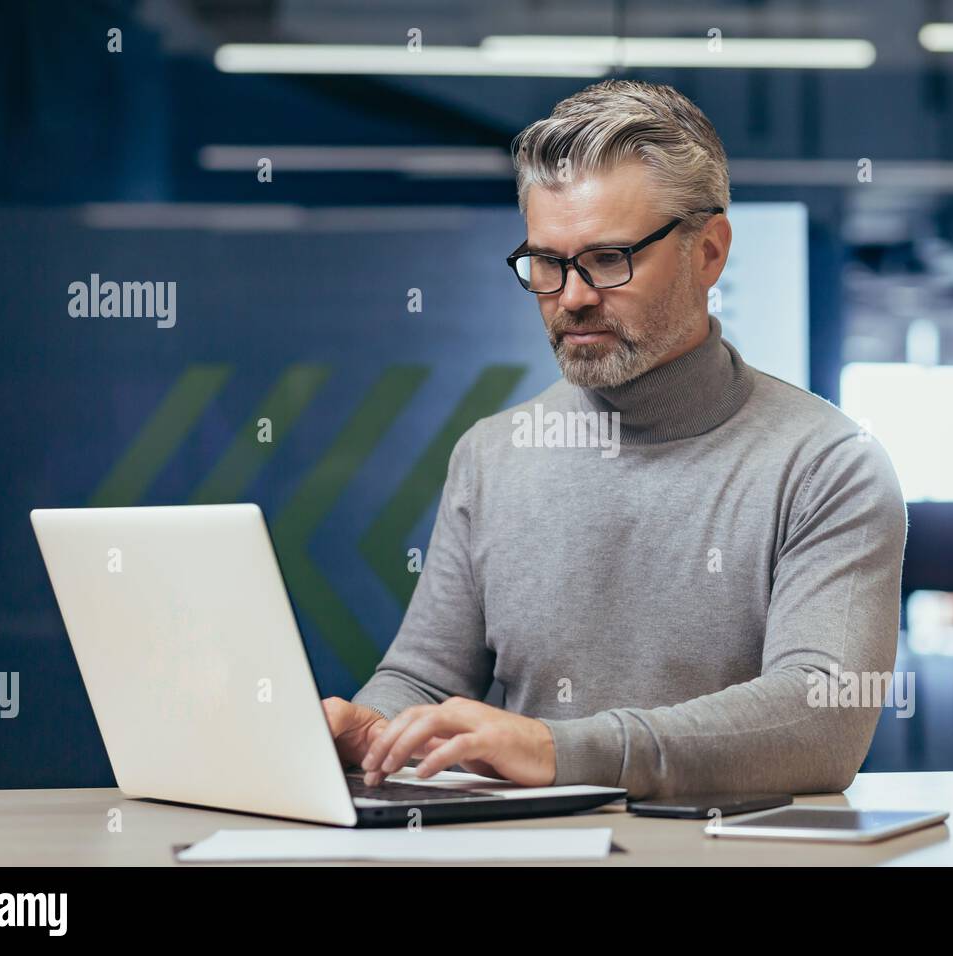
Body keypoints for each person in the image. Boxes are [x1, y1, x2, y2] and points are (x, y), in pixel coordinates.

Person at [322, 79, 906, 799]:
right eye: (546, 262)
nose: (571, 296)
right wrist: (370, 731)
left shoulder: (828, 466)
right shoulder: (492, 454)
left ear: (709, 253)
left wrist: (558, 750)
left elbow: (820, 723)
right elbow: (424, 677)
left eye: (607, 259)